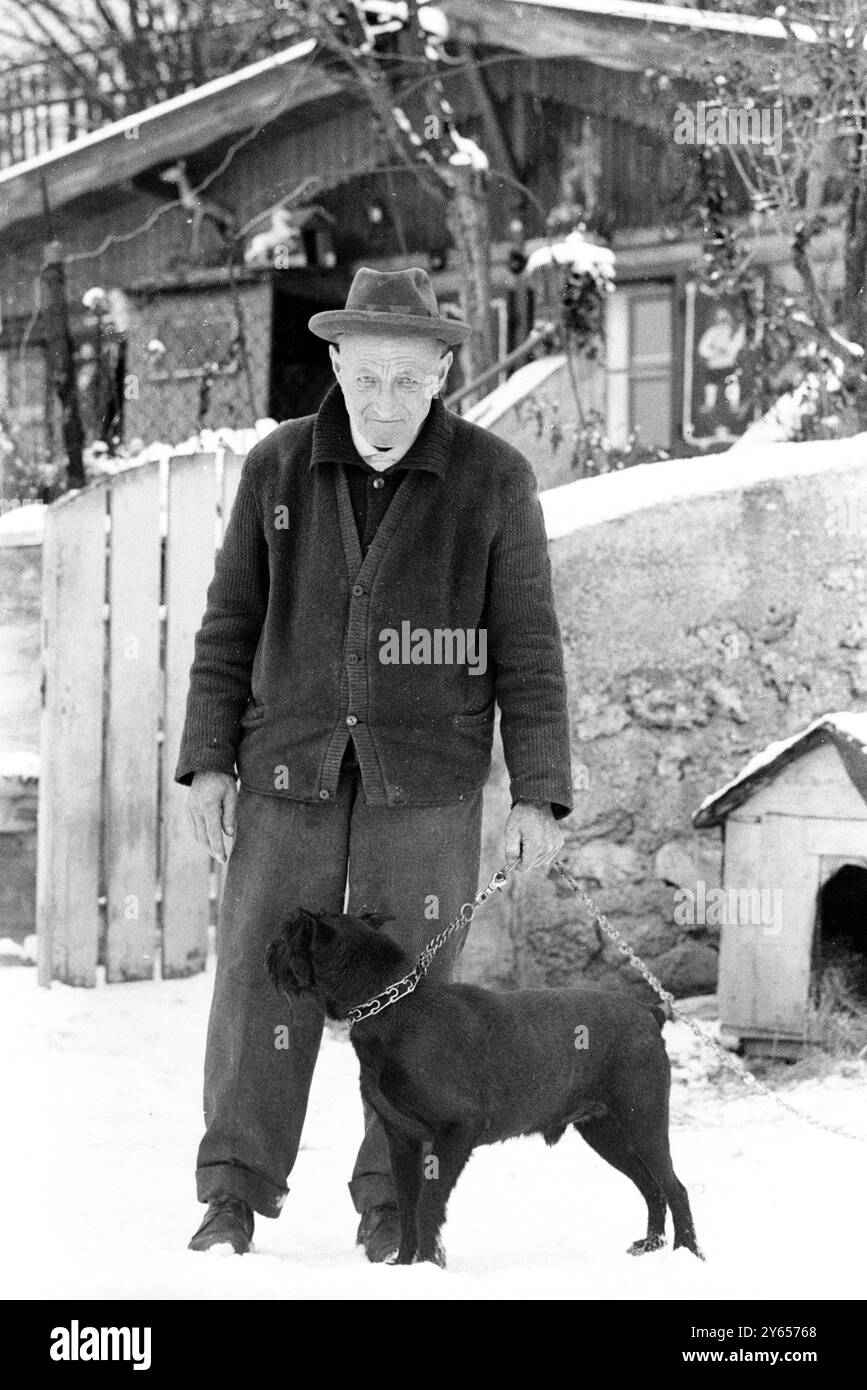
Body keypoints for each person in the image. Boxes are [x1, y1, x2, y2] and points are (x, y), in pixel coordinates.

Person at [176, 266, 574, 1260]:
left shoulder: (493, 481)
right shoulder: (276, 471)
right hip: (287, 770)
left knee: (412, 993)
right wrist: (207, 762)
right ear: (338, 364)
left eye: (409, 381)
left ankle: (395, 1199)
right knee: (261, 976)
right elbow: (230, 621)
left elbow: (527, 645)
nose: (385, 405)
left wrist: (540, 796)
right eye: (368, 379)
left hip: (428, 782)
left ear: (441, 372)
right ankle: (232, 1189)